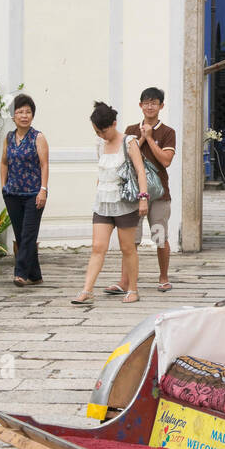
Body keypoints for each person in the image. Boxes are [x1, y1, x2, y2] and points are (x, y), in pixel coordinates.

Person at [72, 101, 149, 306]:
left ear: (114, 124)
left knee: (127, 248)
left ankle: (132, 289)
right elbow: (102, 172)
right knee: (98, 247)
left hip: (124, 202)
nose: (100, 135)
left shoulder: (129, 142)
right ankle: (87, 290)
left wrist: (143, 198)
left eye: (103, 131)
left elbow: (140, 170)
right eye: (97, 131)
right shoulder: (100, 144)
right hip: (103, 202)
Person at [112, 87, 176, 294]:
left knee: (159, 236)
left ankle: (163, 277)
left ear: (161, 106)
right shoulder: (131, 129)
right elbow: (126, 158)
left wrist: (150, 138)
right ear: (140, 105)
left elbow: (166, 161)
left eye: (154, 103)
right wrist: (140, 137)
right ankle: (125, 282)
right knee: (131, 239)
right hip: (134, 193)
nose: (150, 106)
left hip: (158, 195)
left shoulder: (168, 132)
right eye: (146, 103)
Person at [0, 93, 49, 287]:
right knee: (21, 235)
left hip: (33, 194)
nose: (24, 116)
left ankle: (20, 273)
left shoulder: (38, 137)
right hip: (12, 193)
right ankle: (35, 275)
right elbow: (4, 162)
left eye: (28, 112)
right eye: (20, 112)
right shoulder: (9, 138)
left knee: (28, 234)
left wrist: (43, 189)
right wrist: (4, 186)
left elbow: (44, 165)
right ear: (13, 116)